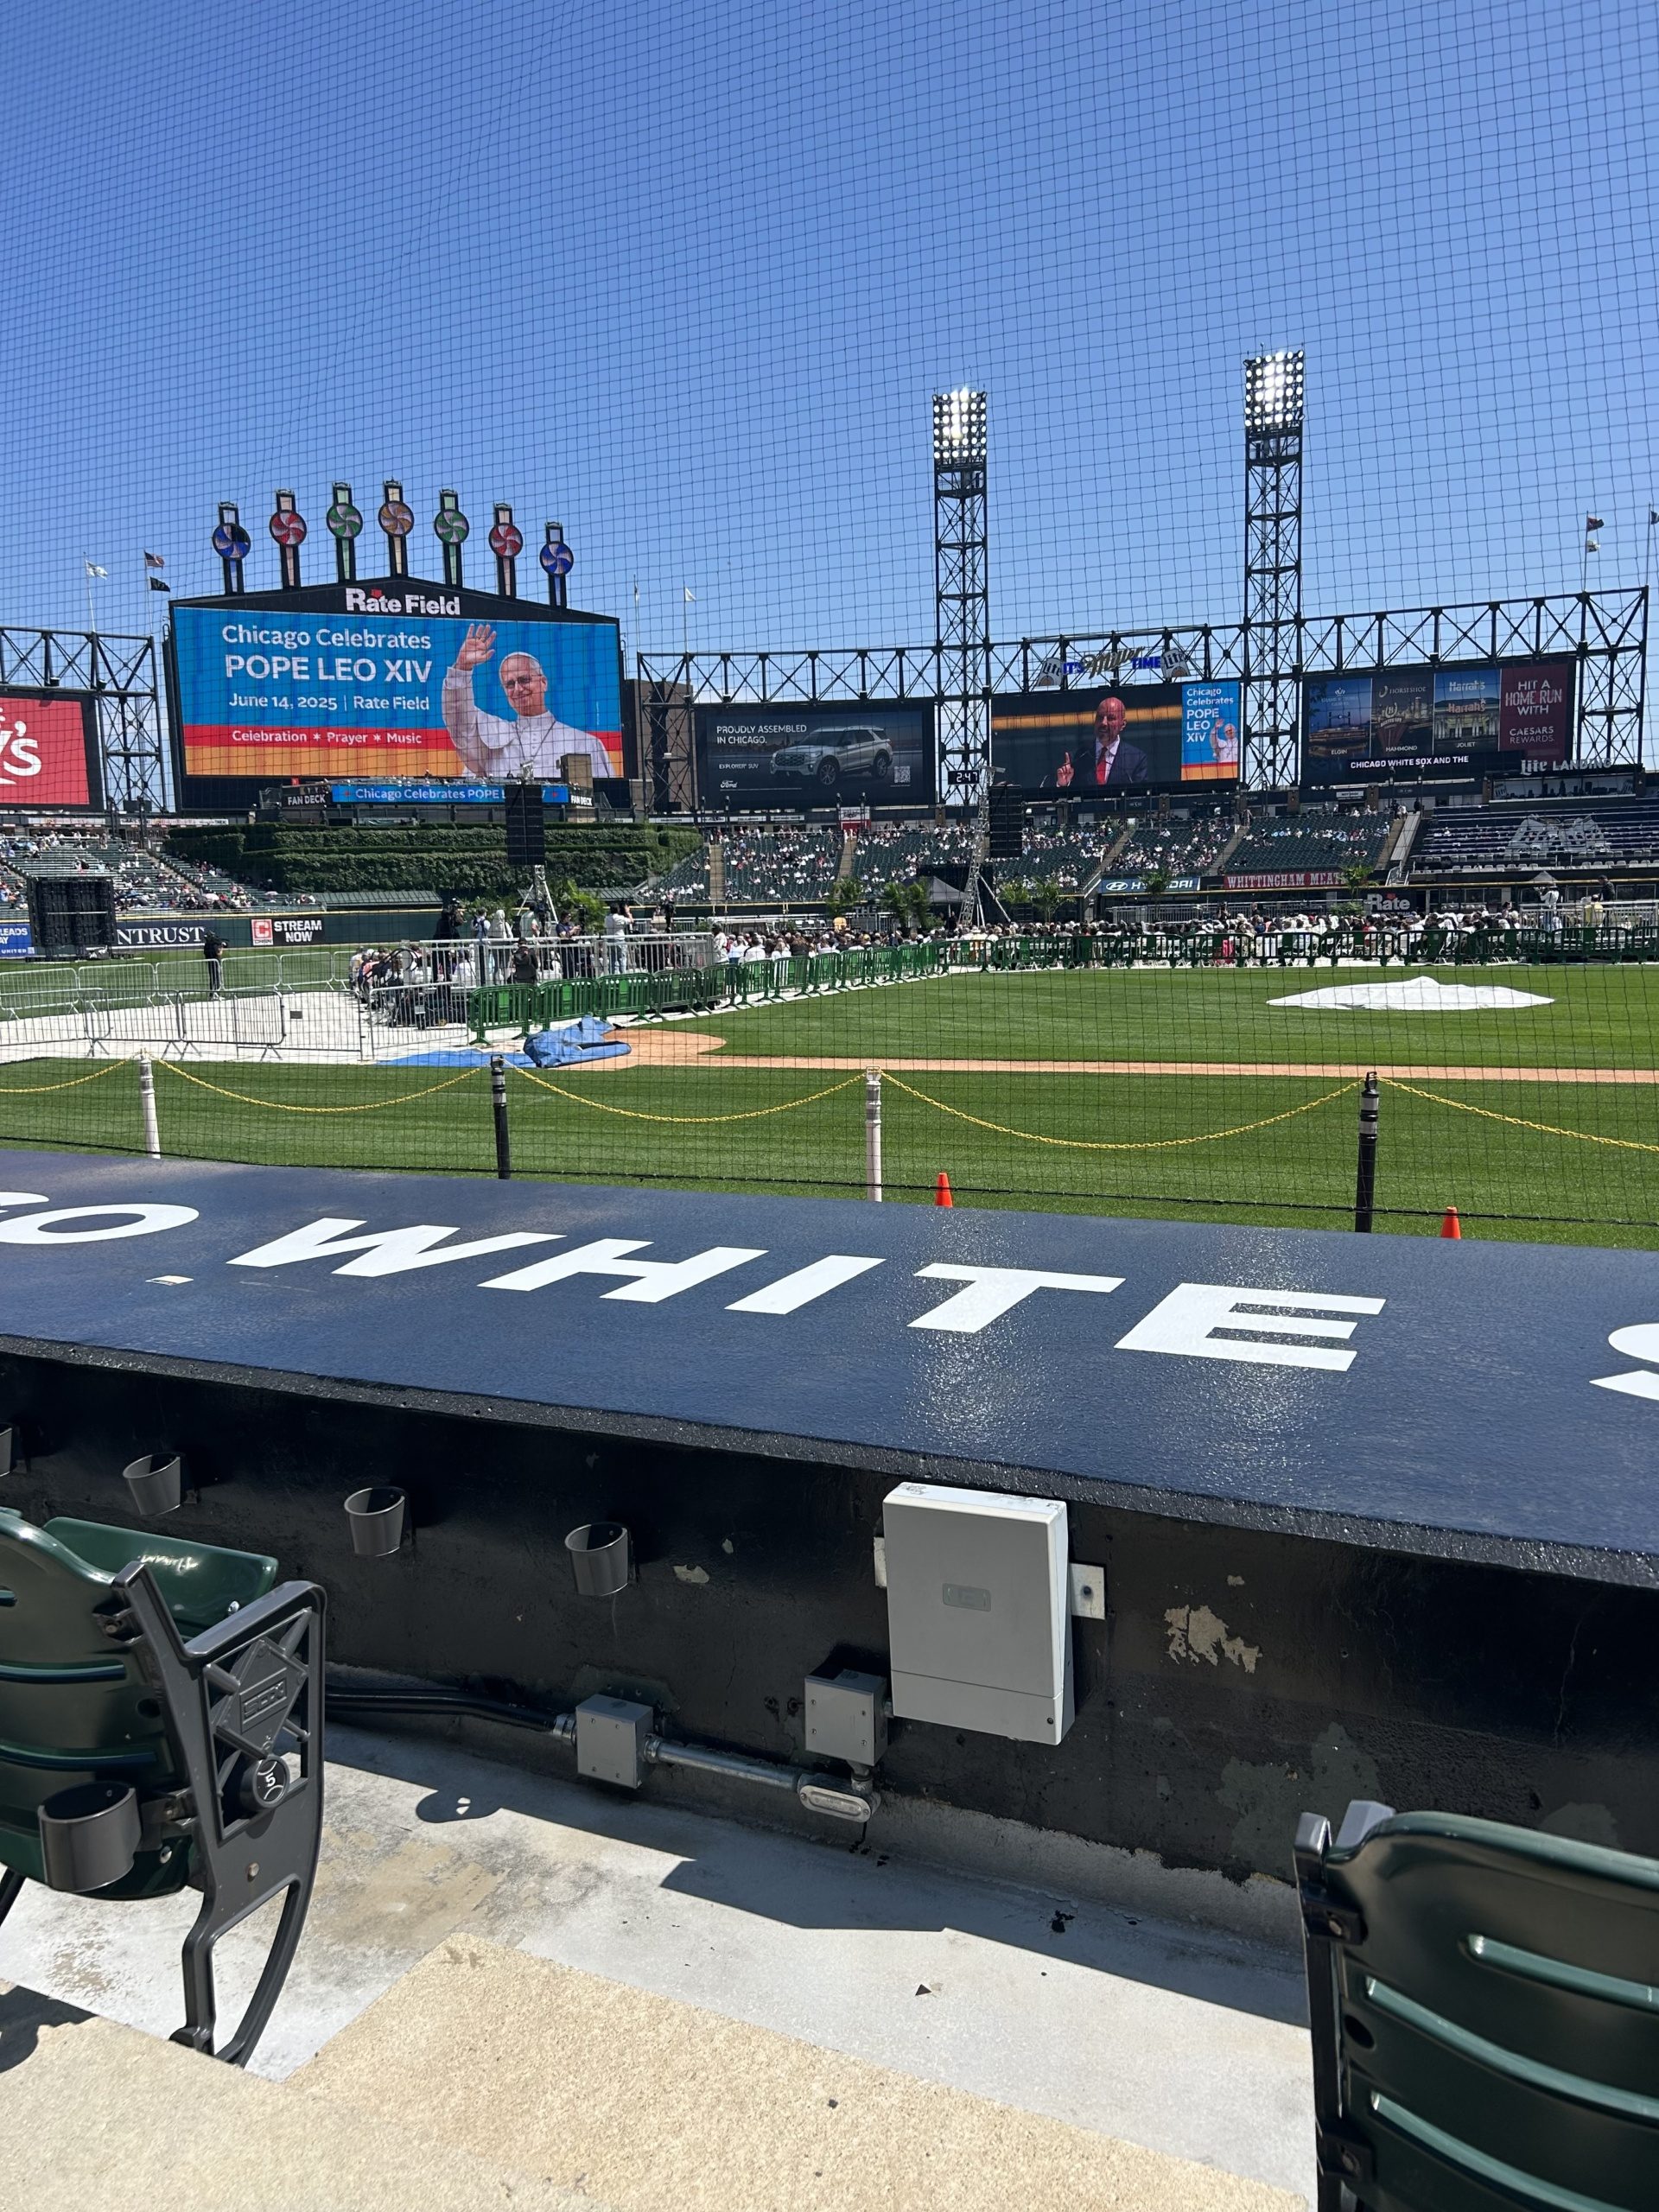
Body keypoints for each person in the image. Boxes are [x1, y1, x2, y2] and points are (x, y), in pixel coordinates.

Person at [442, 623, 614, 780]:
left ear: (543, 682)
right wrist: (462, 667)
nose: (517, 689)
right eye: (510, 684)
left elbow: (604, 800)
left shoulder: (583, 743)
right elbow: (459, 722)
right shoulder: (493, 736)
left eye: (524, 680)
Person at [1055, 696, 1149, 789]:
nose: (1103, 723)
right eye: (1100, 717)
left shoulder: (1136, 759)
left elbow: (1142, 798)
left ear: (1123, 724)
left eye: (1110, 718)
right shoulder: (1077, 758)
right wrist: (1063, 785)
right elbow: (1066, 799)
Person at [202, 927, 226, 999]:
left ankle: (212, 994)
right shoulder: (214, 945)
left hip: (210, 962)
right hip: (215, 962)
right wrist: (221, 948)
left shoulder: (207, 945)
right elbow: (218, 953)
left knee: (213, 978)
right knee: (216, 978)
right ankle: (215, 994)